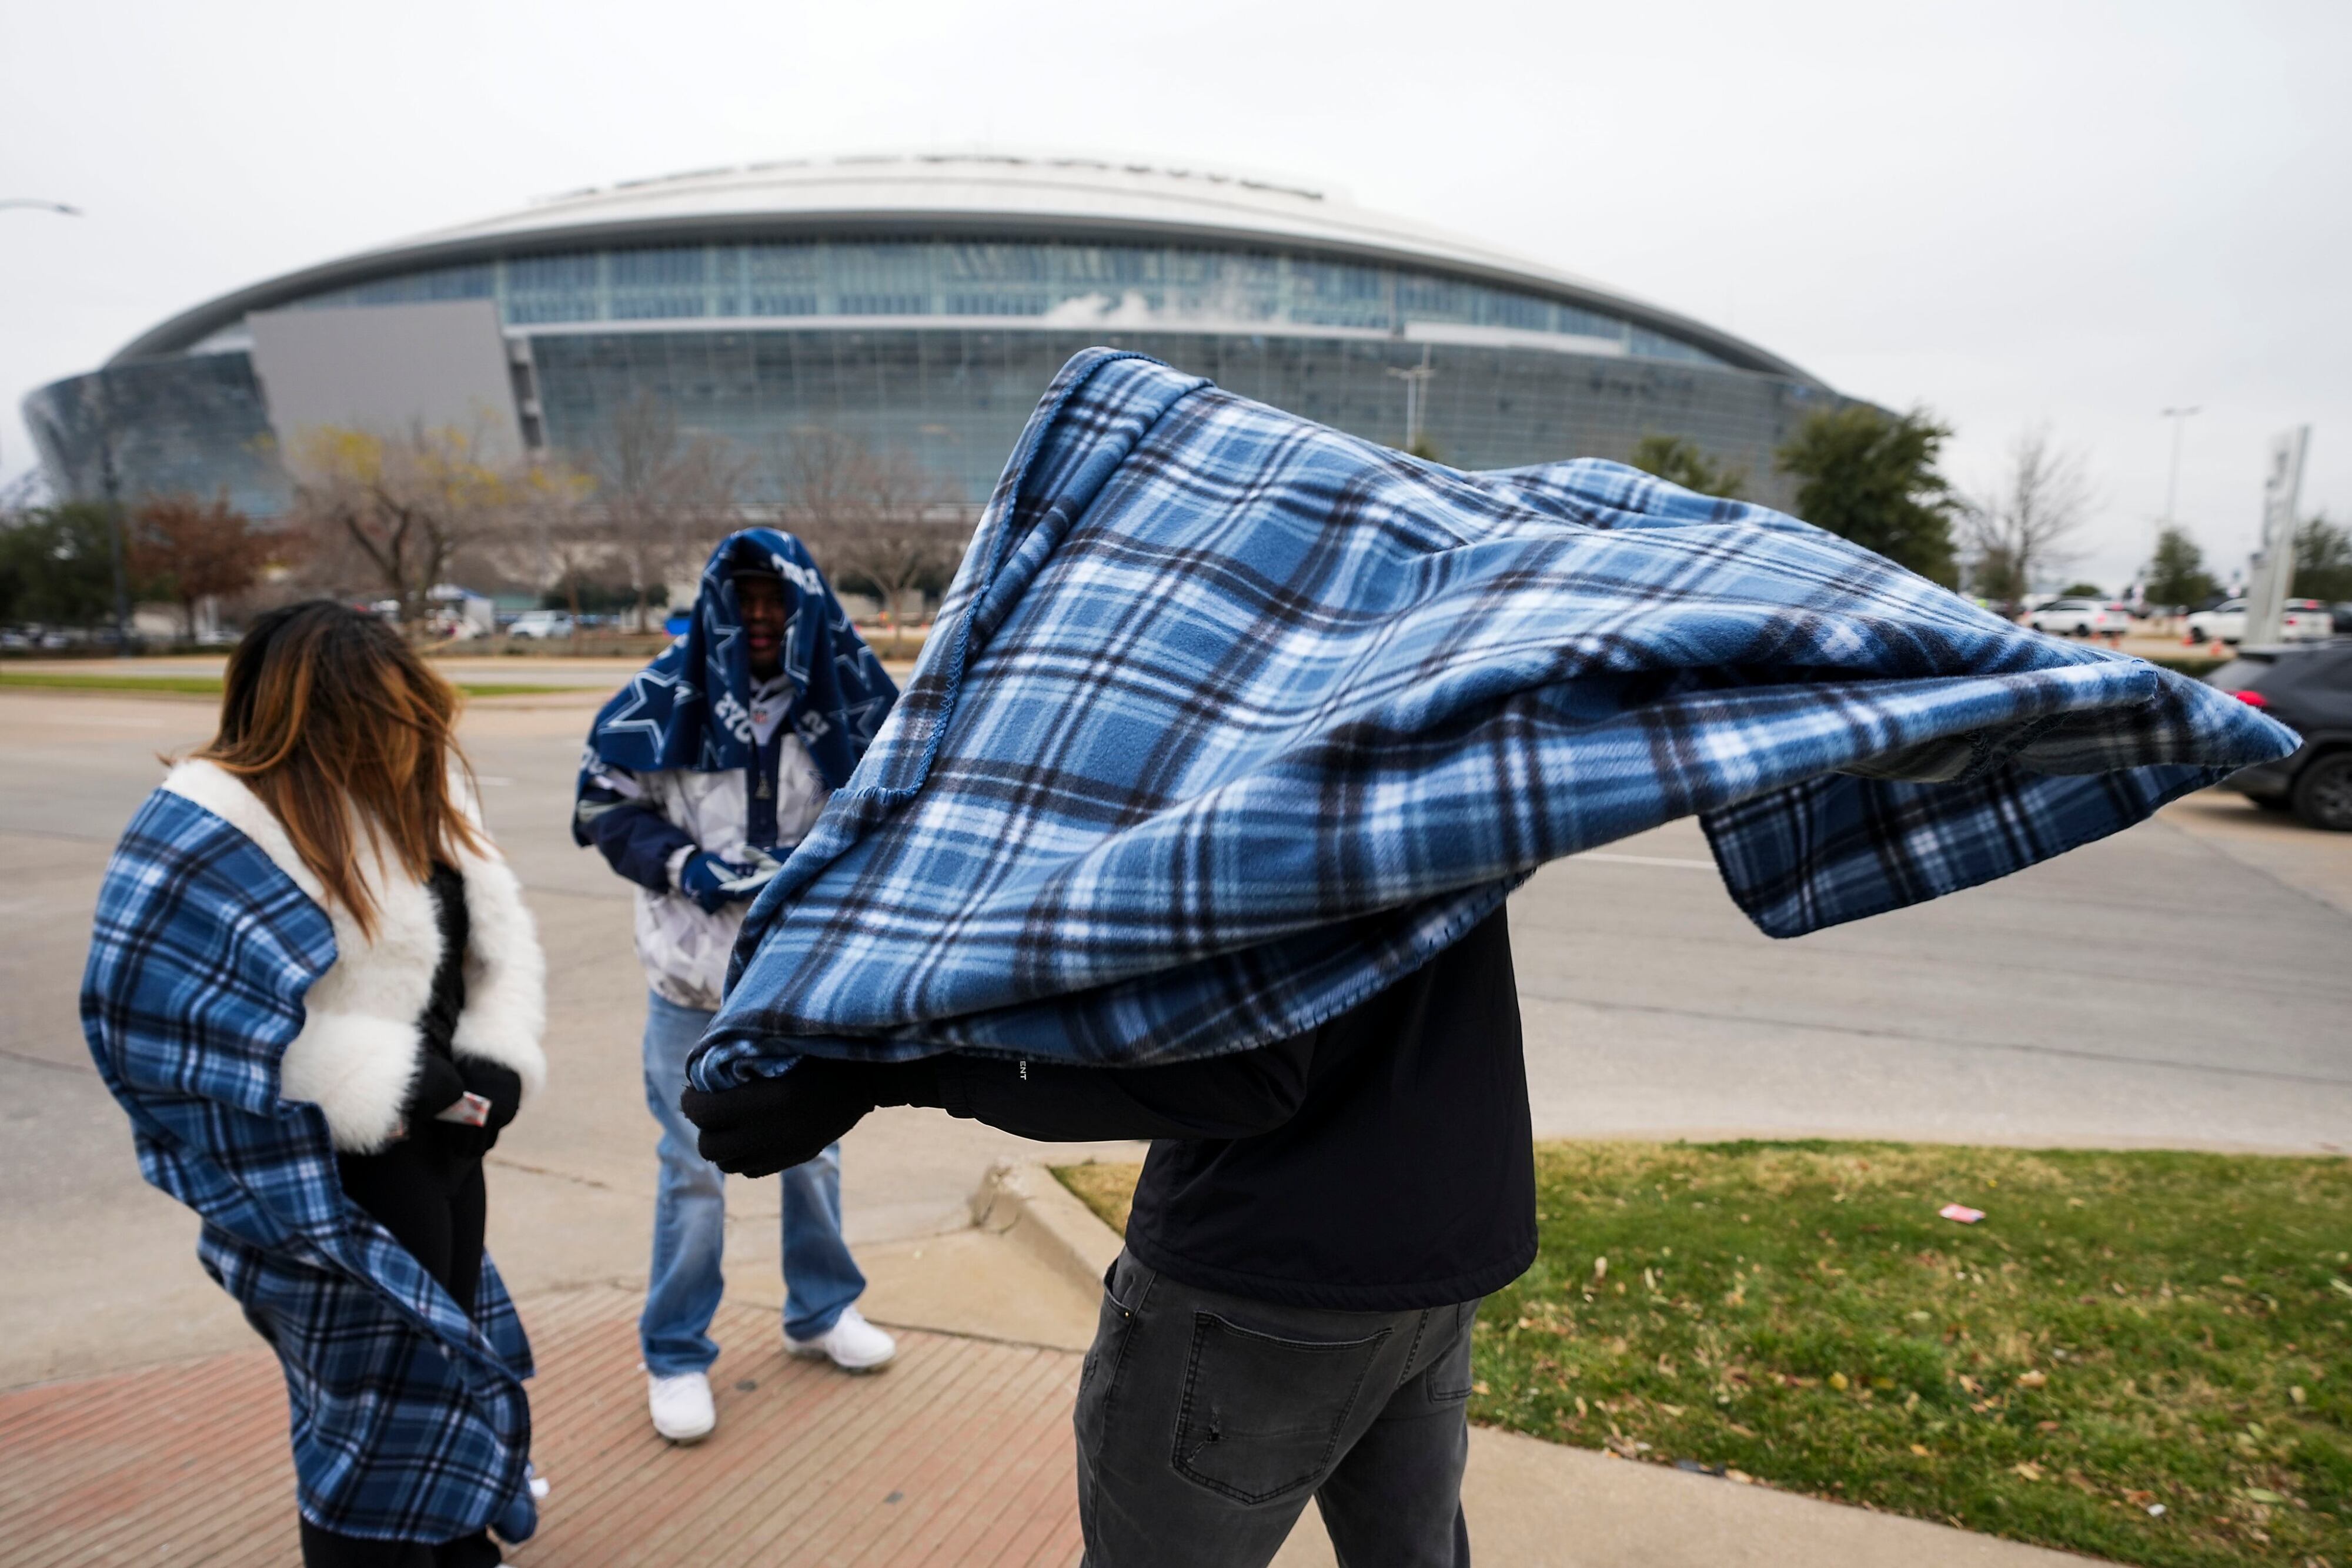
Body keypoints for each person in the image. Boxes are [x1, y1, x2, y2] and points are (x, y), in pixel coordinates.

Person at [681, 904, 1530, 1567]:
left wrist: (899, 1070)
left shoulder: (1280, 707)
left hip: (1260, 1287)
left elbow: (1240, 1071)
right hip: (1447, 1243)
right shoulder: (1429, 700)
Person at [81, 601, 548, 1567]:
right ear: (307, 717)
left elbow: (484, 945)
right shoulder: (218, 822)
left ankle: (463, 1550)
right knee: (363, 1423)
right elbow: (153, 1018)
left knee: (442, 1372)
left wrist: (496, 1050)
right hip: (341, 1172)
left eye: (410, 718)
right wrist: (389, 1074)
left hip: (449, 1154)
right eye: (373, 722)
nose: (400, 743)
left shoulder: (418, 792)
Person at [573, 528, 901, 1443]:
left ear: (803, 604)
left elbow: (896, 813)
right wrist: (683, 864)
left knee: (817, 1153)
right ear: (720, 603)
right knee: (692, 1174)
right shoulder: (660, 698)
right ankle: (675, 1354)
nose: (760, 617)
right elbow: (602, 802)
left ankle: (821, 1310)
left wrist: (811, 867)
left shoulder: (850, 696)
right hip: (688, 983)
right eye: (745, 599)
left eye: (776, 600)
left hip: (798, 985)